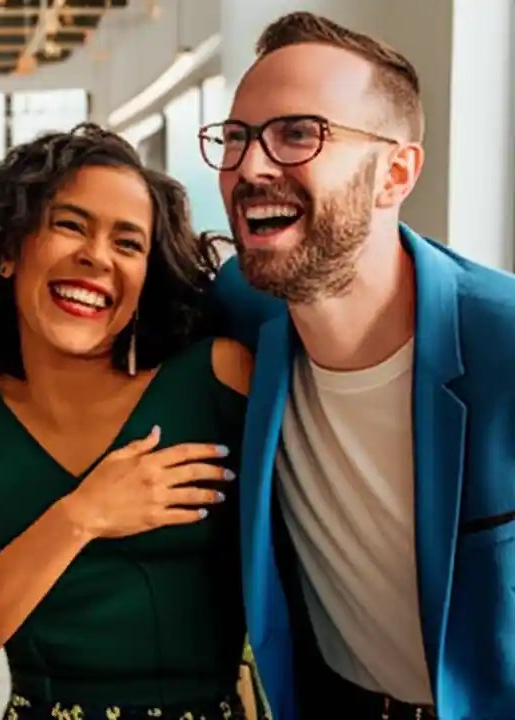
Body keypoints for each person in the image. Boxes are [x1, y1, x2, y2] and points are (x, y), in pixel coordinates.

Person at [204, 12, 515, 720]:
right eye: (235, 138)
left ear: (395, 173)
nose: (251, 166)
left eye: (297, 134)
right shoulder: (244, 311)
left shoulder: (505, 344)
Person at [0, 123, 254, 719]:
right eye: (70, 225)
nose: (96, 256)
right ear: (9, 251)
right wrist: (82, 515)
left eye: (128, 244)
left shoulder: (216, 379)